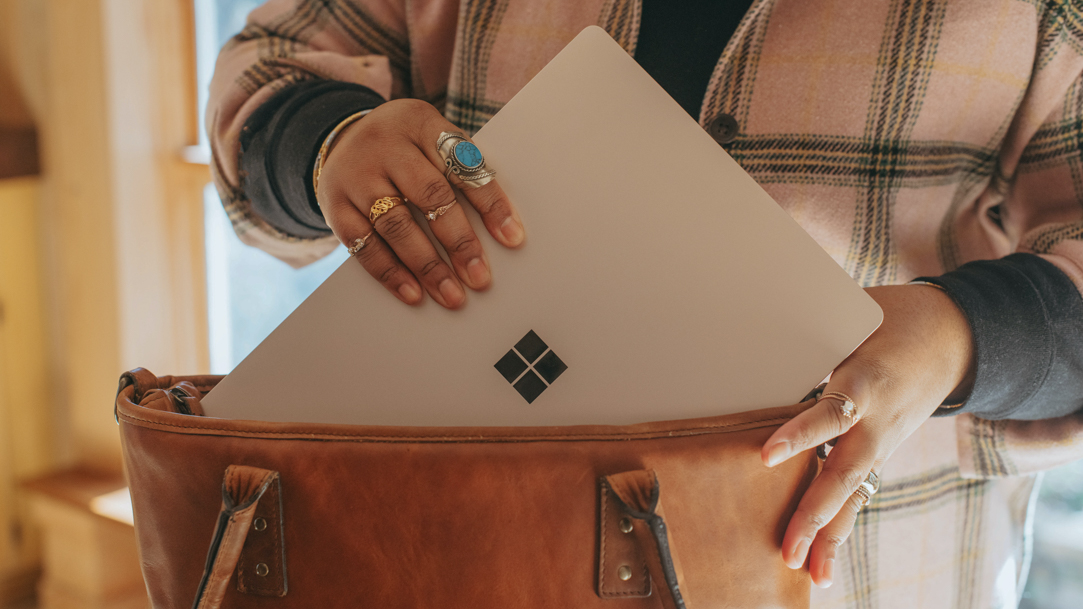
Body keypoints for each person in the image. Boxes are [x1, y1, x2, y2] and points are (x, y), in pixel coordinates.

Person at [207, 1, 1083, 606]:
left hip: (874, 566)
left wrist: (958, 334)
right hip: (454, 547)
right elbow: (269, 64)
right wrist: (331, 141)